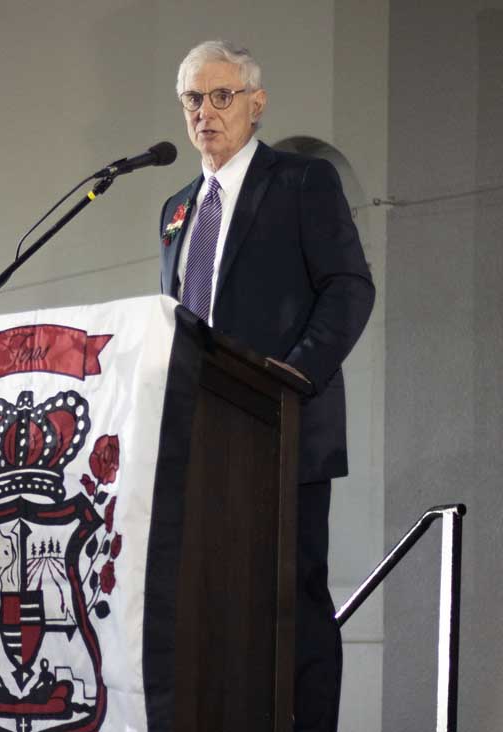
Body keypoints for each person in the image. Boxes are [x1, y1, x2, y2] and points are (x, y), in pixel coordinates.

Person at [159, 40, 375, 732]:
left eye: (221, 96)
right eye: (194, 98)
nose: (205, 112)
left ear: (256, 104)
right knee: (207, 606)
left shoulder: (301, 182)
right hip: (198, 442)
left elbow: (348, 288)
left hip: (284, 428)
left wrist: (294, 376)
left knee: (293, 607)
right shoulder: (177, 207)